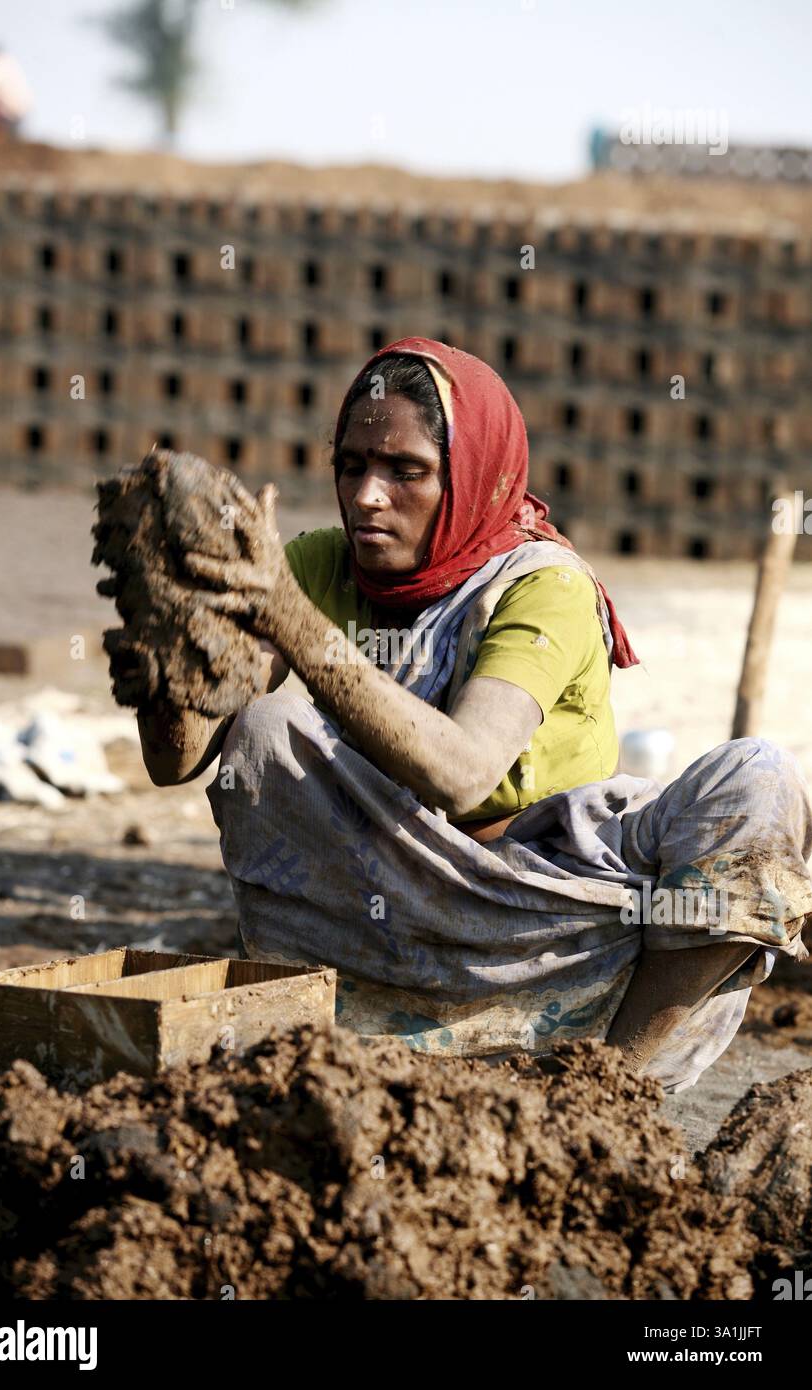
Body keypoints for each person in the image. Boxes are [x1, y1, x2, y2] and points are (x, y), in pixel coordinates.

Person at [138, 338, 812, 1092]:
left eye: (406, 471)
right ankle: (342, 1039)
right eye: (352, 465)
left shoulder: (543, 584)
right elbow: (175, 761)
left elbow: (462, 774)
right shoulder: (320, 564)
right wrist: (163, 668)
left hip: (566, 931)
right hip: (399, 924)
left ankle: (610, 1087)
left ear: (473, 475)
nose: (368, 495)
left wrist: (293, 621)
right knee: (266, 733)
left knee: (757, 777)